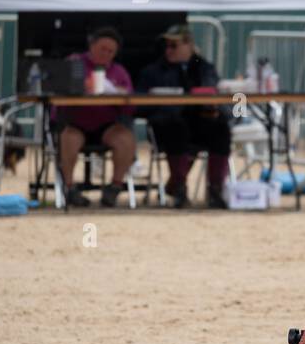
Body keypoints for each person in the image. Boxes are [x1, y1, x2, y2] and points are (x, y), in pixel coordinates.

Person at [137, 24, 230, 209]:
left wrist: (210, 103)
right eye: (167, 46)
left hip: (198, 124)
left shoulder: (203, 67)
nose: (168, 50)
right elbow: (140, 104)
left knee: (220, 127)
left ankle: (215, 190)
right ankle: (179, 188)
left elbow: (214, 91)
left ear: (188, 45)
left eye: (174, 45)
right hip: (167, 126)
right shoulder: (153, 71)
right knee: (177, 127)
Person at [57, 27, 136, 208]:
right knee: (68, 139)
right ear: (91, 46)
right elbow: (58, 95)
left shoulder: (119, 71)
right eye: (102, 49)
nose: (106, 54)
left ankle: (115, 187)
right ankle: (69, 188)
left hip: (106, 124)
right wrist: (80, 88)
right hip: (76, 123)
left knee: (126, 139)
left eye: (111, 51)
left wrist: (116, 92)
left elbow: (131, 103)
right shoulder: (75, 63)